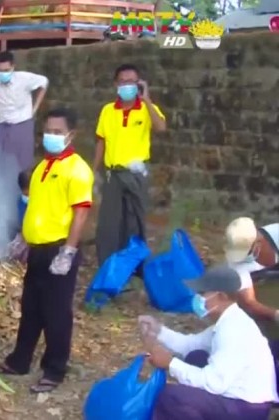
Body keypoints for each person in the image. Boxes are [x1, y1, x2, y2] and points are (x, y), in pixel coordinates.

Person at [0, 108, 93, 393]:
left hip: (59, 250)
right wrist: (23, 239)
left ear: (71, 135)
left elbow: (81, 214)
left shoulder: (77, 169)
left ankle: (55, 369)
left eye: (58, 132)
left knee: (57, 313)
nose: (51, 136)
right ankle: (20, 360)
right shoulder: (41, 169)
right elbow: (35, 208)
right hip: (37, 250)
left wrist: (69, 252)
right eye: (48, 130)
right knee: (31, 308)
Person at [139, 265, 277, 419]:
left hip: (248, 409)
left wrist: (170, 363)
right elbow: (189, 345)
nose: (199, 298)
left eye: (203, 293)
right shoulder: (227, 321)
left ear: (222, 296)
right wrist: (158, 331)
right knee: (196, 357)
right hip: (238, 397)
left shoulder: (234, 331)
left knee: (172, 397)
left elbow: (213, 383)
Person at [93, 64, 166, 269]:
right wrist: (93, 170)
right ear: (116, 84)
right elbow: (101, 141)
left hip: (136, 173)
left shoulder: (146, 108)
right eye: (123, 82)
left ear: (139, 84)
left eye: (132, 82)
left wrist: (147, 100)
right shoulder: (108, 111)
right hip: (113, 173)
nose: (127, 86)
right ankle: (107, 264)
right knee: (109, 222)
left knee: (136, 219)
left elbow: (160, 127)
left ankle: (137, 264)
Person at [0, 51, 48, 174]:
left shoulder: (24, 78)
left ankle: (23, 191)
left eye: (6, 70)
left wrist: (35, 107)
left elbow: (44, 82)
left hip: (23, 124)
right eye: (0, 71)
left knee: (24, 164)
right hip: (4, 127)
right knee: (3, 164)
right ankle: (6, 190)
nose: (3, 73)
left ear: (13, 67)